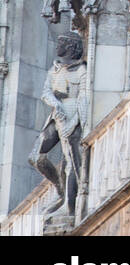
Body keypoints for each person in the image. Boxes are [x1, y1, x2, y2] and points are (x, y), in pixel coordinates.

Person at [29, 31, 88, 222]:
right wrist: (55, 104)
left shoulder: (82, 71)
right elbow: (46, 92)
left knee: (70, 161)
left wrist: (73, 122)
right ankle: (61, 190)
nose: (57, 46)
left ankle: (70, 206)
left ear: (70, 46)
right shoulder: (54, 69)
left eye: (61, 42)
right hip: (57, 115)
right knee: (36, 156)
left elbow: (84, 99)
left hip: (72, 116)